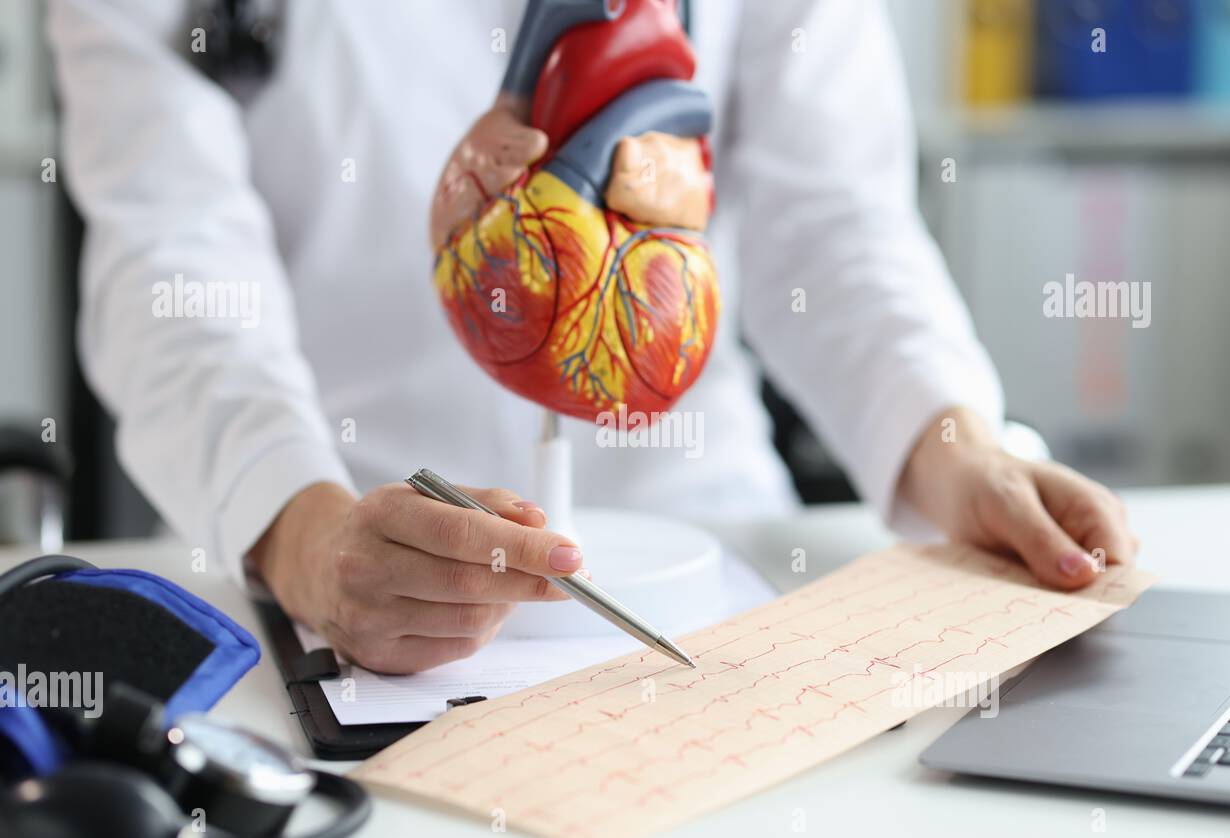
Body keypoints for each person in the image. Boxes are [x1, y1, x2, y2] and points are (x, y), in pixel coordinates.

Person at [47, 0, 1137, 675]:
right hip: (353, 563)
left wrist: (955, 450)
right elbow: (172, 260)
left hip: (712, 557)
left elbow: (835, 223)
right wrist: (300, 533)